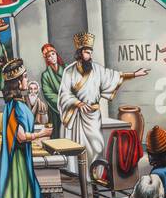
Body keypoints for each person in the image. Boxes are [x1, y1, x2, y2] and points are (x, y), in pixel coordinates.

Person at [57, 32, 149, 168]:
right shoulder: (69, 71)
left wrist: (134, 74)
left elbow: (114, 76)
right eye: (87, 52)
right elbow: (64, 94)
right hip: (78, 116)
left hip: (93, 116)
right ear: (80, 53)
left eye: (90, 53)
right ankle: (81, 175)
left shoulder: (97, 69)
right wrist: (78, 103)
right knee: (79, 147)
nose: (89, 55)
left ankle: (95, 174)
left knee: (97, 146)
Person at [0, 58, 51, 198]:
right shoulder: (16, 106)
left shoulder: (15, 104)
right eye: (25, 77)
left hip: (21, 158)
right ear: (18, 83)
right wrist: (41, 134)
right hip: (17, 162)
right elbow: (20, 137)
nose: (27, 79)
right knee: (23, 197)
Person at [38, 42, 63, 132]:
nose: (52, 57)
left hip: (71, 107)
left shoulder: (67, 69)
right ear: (47, 59)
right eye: (49, 56)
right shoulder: (45, 75)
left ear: (56, 54)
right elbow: (48, 94)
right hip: (55, 110)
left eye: (53, 54)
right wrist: (63, 103)